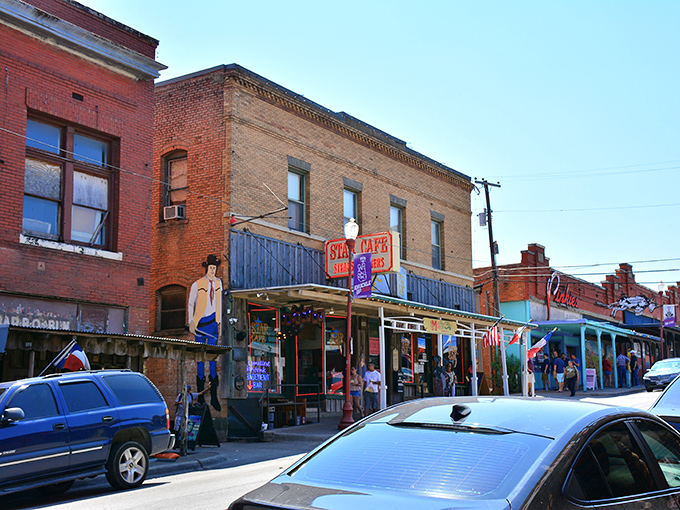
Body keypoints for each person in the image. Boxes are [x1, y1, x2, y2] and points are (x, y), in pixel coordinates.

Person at [188, 254, 223, 411]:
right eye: (210, 268)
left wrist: (219, 322)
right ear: (206, 268)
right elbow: (190, 303)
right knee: (200, 359)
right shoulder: (197, 284)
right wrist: (191, 322)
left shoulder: (218, 283)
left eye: (215, 268)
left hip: (213, 324)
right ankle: (200, 397)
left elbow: (219, 303)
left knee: (213, 359)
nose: (213, 270)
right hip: (200, 323)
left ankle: (214, 396)